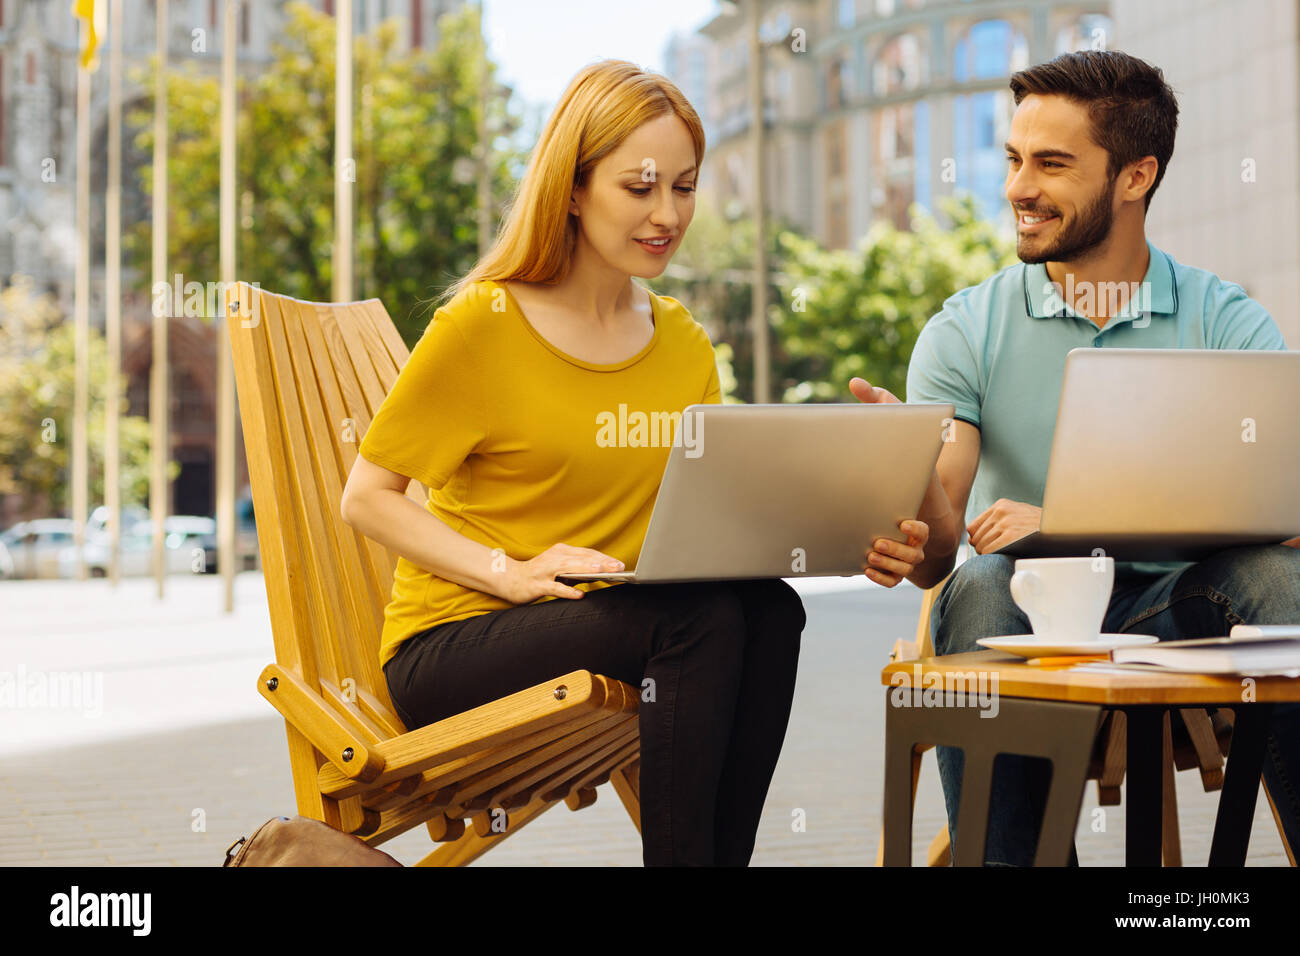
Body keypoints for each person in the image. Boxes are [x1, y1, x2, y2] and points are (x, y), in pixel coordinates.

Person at [340, 59, 928, 866]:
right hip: (457, 646)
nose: (667, 213)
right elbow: (367, 499)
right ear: (574, 189)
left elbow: (713, 524)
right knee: (702, 619)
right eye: (639, 187)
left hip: (616, 619)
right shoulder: (485, 325)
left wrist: (852, 514)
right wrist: (506, 571)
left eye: (684, 187)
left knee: (768, 609)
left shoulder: (682, 342)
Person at [859, 49, 1300, 865]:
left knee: (1279, 580)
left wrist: (1064, 520)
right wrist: (916, 499)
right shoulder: (965, 329)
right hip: (1033, 622)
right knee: (983, 584)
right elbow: (945, 543)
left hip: (1178, 620)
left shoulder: (1225, 320)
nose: (1018, 189)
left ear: (1136, 177)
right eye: (1015, 160)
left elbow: (1288, 517)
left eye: (1052, 164)